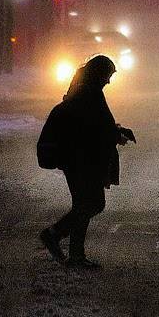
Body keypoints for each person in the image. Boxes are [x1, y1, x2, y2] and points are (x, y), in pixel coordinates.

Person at [38, 55, 135, 270]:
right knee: (92, 203)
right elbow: (95, 127)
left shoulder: (84, 92)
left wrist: (116, 132)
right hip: (78, 159)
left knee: (84, 204)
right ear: (99, 74)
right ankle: (55, 235)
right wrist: (116, 135)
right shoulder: (89, 95)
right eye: (108, 76)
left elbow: (98, 125)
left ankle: (75, 255)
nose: (109, 81)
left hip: (75, 158)